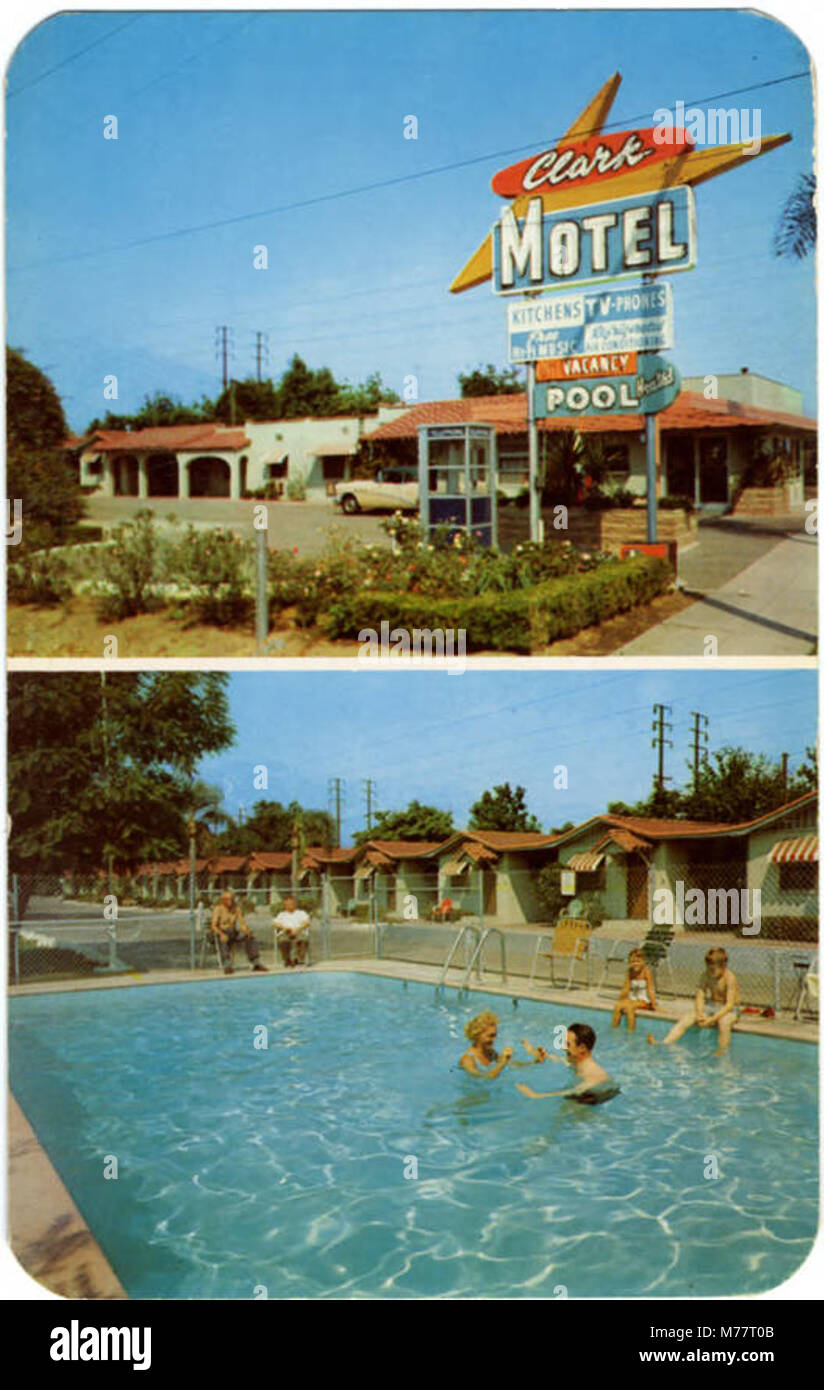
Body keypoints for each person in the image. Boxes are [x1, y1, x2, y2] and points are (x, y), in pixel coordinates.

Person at [647, 947, 740, 1056]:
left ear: (724, 966)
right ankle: (664, 1043)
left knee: (724, 1022)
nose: (710, 972)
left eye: (713, 970)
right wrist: (700, 1013)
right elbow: (700, 997)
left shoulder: (730, 978)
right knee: (688, 1017)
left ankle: (722, 1051)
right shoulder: (705, 975)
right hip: (712, 1006)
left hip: (730, 1010)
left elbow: (729, 1005)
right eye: (708, 968)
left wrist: (712, 1019)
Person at [516, 1022, 619, 1104]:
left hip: (597, 1097)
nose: (563, 1047)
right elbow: (563, 1061)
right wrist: (543, 1055)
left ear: (581, 1048)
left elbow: (574, 1091)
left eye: (567, 1044)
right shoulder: (579, 1063)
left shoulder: (594, 1074)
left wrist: (536, 1095)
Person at [460, 1011, 548, 1077]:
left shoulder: (490, 1053)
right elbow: (483, 1079)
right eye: (490, 1036)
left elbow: (510, 1064)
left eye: (495, 1035)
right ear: (477, 1035)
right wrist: (503, 1063)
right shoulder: (468, 1059)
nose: (494, 1039)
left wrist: (534, 1062)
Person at [210, 891, 267, 975]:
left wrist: (246, 931)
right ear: (223, 900)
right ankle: (227, 964)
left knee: (249, 937)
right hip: (221, 932)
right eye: (227, 899)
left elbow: (242, 923)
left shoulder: (236, 908)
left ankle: (256, 962)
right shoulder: (218, 909)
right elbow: (213, 926)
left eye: (231, 899)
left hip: (233, 932)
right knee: (223, 939)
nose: (230, 901)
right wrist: (221, 934)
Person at [612, 948, 658, 1030]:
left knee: (630, 1007)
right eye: (633, 962)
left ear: (643, 962)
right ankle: (614, 1029)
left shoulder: (646, 972)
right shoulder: (630, 971)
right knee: (617, 1006)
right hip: (633, 999)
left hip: (644, 1001)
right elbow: (626, 988)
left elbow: (650, 989)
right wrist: (621, 1000)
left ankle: (631, 1031)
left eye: (638, 961)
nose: (635, 964)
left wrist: (654, 1005)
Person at [273, 893, 311, 969]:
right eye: (287, 904)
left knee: (303, 939)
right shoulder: (282, 914)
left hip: (298, 931)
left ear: (295, 904)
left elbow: (307, 923)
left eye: (291, 903)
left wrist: (297, 929)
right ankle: (287, 960)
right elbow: (275, 924)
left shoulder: (301, 913)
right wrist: (285, 928)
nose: (290, 905)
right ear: (285, 905)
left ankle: (299, 960)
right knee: (282, 940)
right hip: (286, 932)